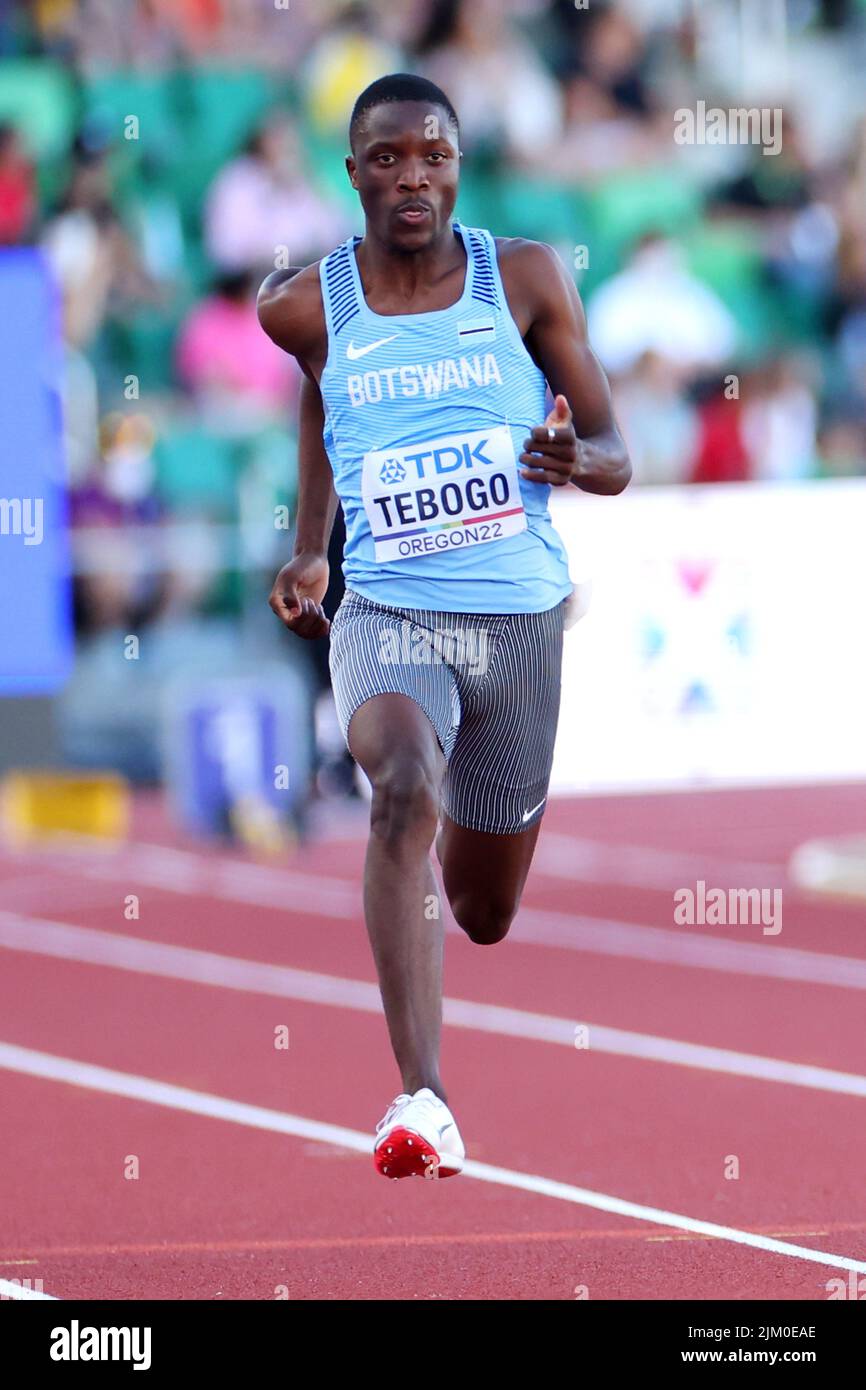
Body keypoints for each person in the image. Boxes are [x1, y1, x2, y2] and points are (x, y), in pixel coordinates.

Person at [257, 73, 630, 1181]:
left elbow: (615, 453)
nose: (411, 176)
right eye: (386, 157)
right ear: (354, 172)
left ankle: (471, 863)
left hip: (516, 618)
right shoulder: (304, 301)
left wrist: (576, 461)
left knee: (482, 909)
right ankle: (421, 1095)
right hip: (388, 607)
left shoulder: (521, 277)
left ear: (459, 165)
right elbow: (321, 396)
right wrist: (314, 543)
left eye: (433, 155)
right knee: (401, 787)